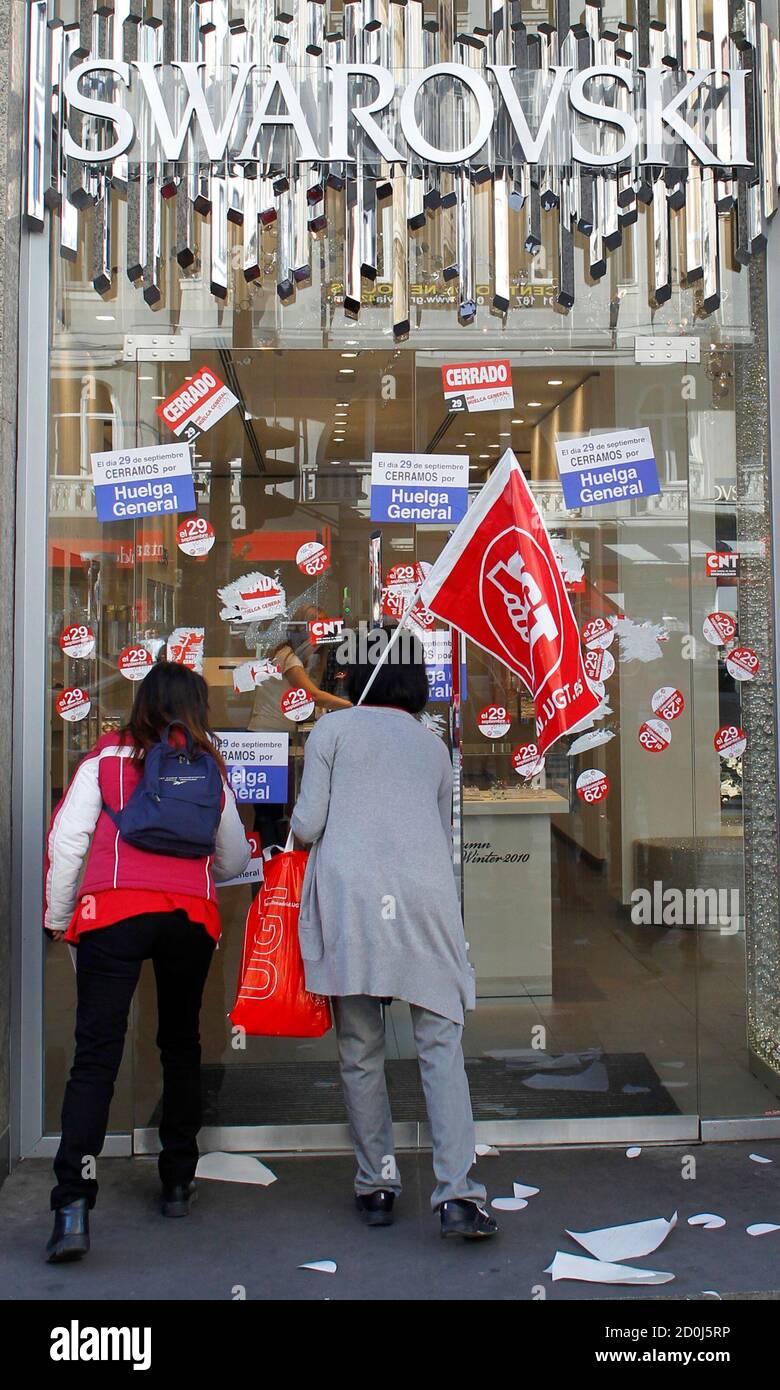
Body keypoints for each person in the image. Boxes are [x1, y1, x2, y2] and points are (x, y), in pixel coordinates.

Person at [290, 627, 498, 1240]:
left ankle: (377, 1184)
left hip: (352, 899)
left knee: (361, 1047)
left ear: (351, 676)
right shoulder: (433, 746)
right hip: (425, 900)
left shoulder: (331, 731)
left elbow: (306, 826)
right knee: (441, 1044)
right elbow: (440, 831)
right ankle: (458, 1193)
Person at [42, 661, 250, 1263]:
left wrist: (59, 918)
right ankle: (179, 1178)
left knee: (96, 1054)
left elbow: (68, 841)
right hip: (189, 917)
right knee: (181, 1042)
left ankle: (73, 1202)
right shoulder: (208, 766)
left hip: (113, 912)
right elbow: (232, 858)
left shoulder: (105, 759)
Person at [249, 604, 351, 852]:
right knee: (269, 813)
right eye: (315, 624)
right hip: (267, 738)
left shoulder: (309, 657)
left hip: (281, 738)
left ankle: (277, 869)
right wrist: (353, 706)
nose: (321, 630)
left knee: (275, 811)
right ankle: (271, 872)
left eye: (323, 625)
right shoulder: (287, 656)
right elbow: (312, 695)